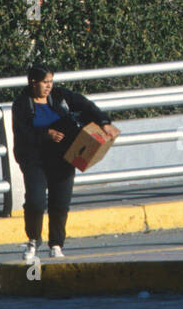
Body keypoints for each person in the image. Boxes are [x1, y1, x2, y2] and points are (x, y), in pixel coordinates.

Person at [12, 64, 120, 261]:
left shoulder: (61, 96)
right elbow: (23, 133)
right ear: (33, 82)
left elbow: (87, 106)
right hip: (35, 159)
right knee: (36, 202)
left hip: (64, 156)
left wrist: (104, 122)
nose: (49, 86)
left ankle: (56, 244)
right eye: (45, 82)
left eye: (51, 82)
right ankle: (34, 239)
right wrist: (46, 134)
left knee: (60, 203)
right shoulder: (22, 104)